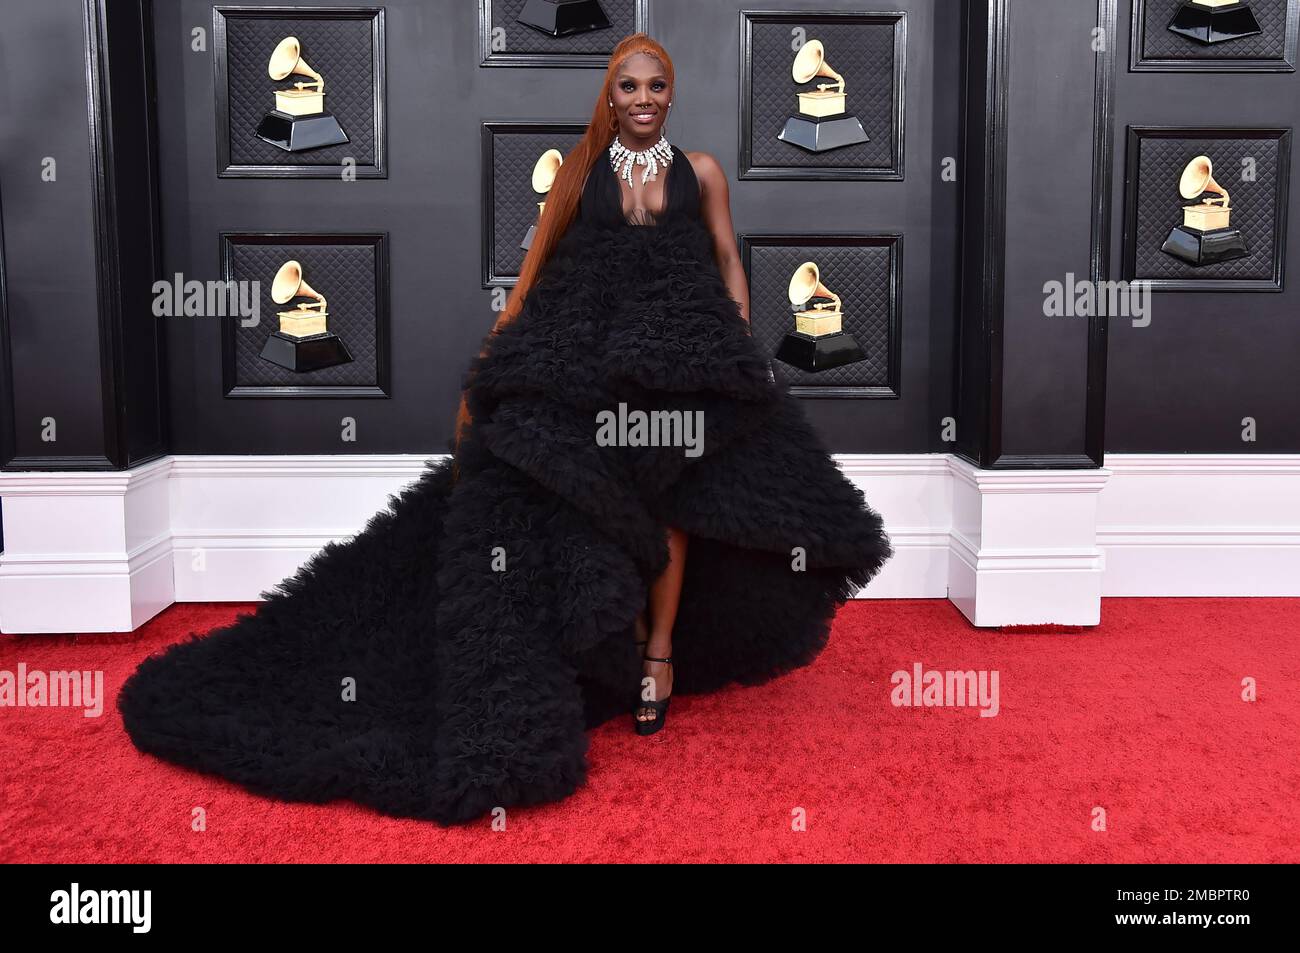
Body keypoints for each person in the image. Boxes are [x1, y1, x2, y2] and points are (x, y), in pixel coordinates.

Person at [119, 34, 893, 826]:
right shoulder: (582, 173)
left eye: (656, 85)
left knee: (677, 504)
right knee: (592, 506)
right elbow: (531, 278)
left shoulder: (700, 173)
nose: (642, 99)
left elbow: (729, 259)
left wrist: (732, 345)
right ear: (610, 93)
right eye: (627, 86)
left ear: (672, 91)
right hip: (590, 369)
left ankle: (658, 655)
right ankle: (613, 649)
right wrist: (491, 369)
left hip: (684, 370)